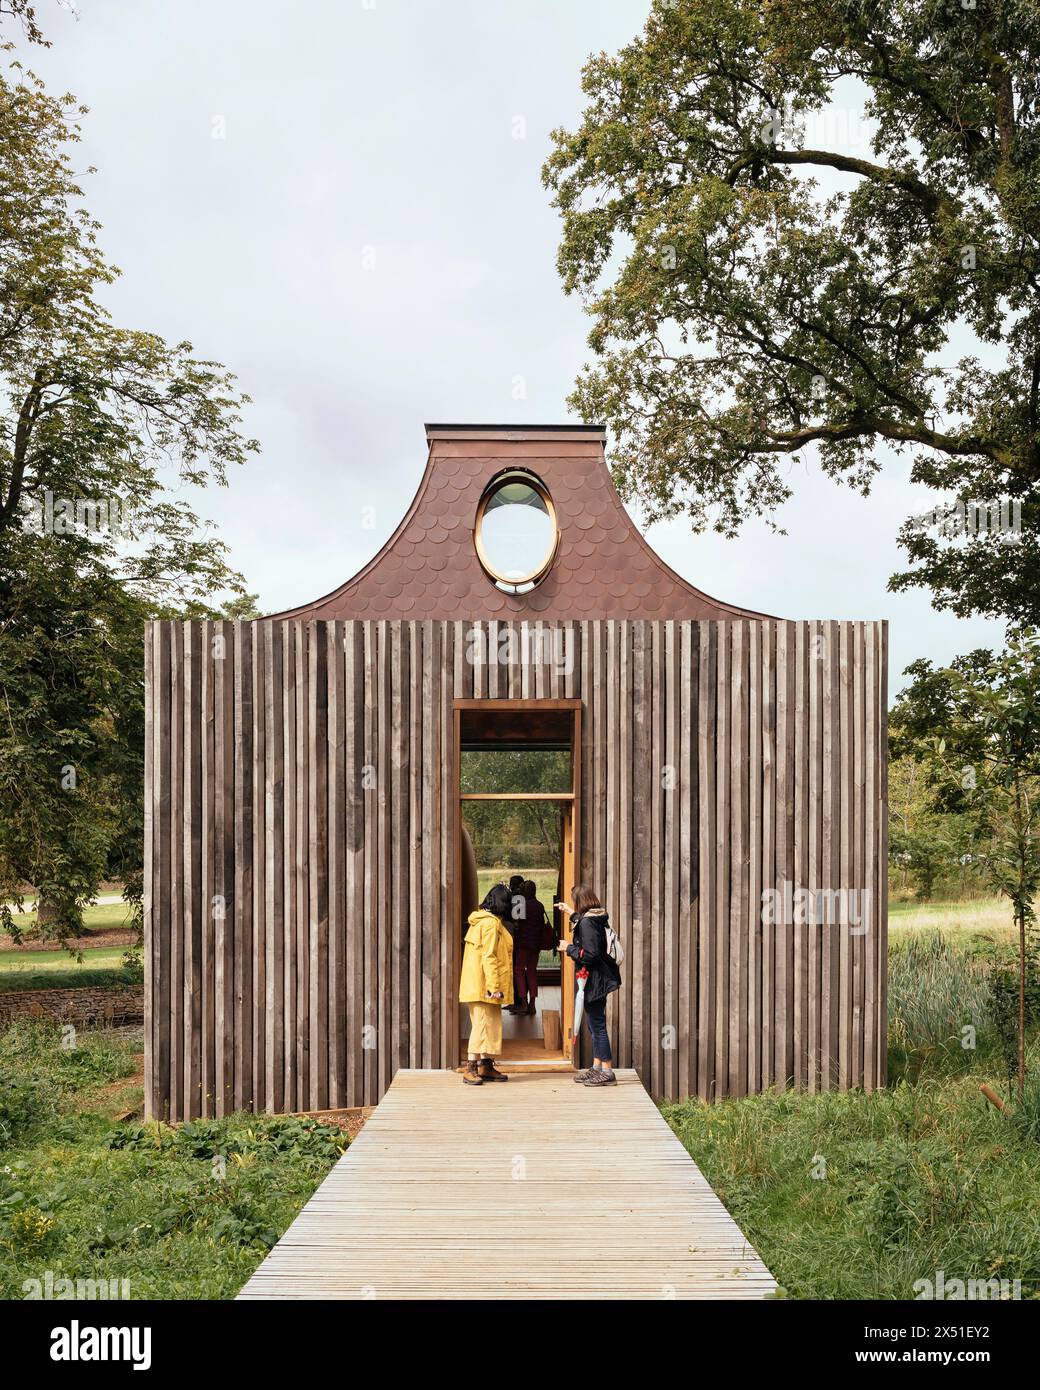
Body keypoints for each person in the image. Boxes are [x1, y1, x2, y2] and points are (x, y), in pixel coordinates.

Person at [554, 883, 621, 1087]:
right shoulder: (596, 917)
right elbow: (585, 924)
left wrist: (569, 948)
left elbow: (590, 955)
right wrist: (571, 913)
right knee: (594, 1024)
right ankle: (597, 1068)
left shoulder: (587, 923)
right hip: (599, 978)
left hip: (595, 980)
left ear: (580, 901)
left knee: (597, 1026)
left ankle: (607, 1071)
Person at [458, 883, 514, 1084]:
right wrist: (494, 987)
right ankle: (470, 1068)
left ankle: (486, 1066)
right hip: (484, 986)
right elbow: (489, 957)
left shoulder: (480, 921)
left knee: (488, 1026)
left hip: (476, 984)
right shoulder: (490, 924)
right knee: (482, 1027)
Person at [513, 879, 547, 1016]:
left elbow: (516, 924)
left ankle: (523, 1003)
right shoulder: (539, 905)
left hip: (523, 944)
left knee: (519, 970)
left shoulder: (521, 903)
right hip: (536, 944)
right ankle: (532, 1004)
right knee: (532, 971)